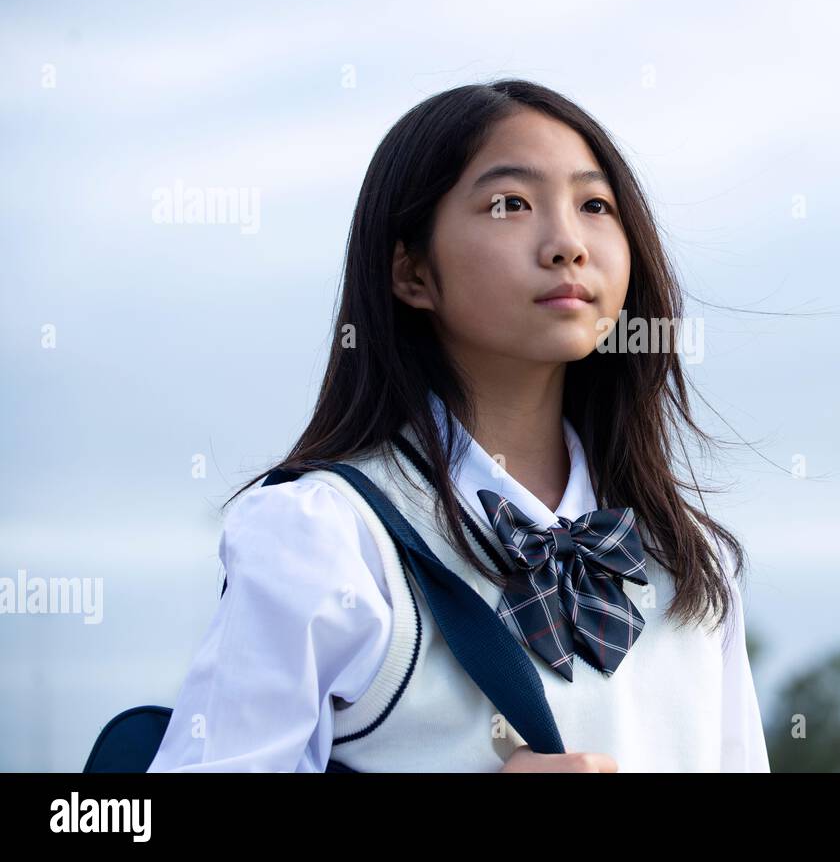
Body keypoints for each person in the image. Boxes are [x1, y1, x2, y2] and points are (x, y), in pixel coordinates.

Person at [147, 79, 769, 772]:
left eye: (595, 204)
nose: (567, 242)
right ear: (412, 272)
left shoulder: (687, 558)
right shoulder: (325, 534)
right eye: (511, 204)